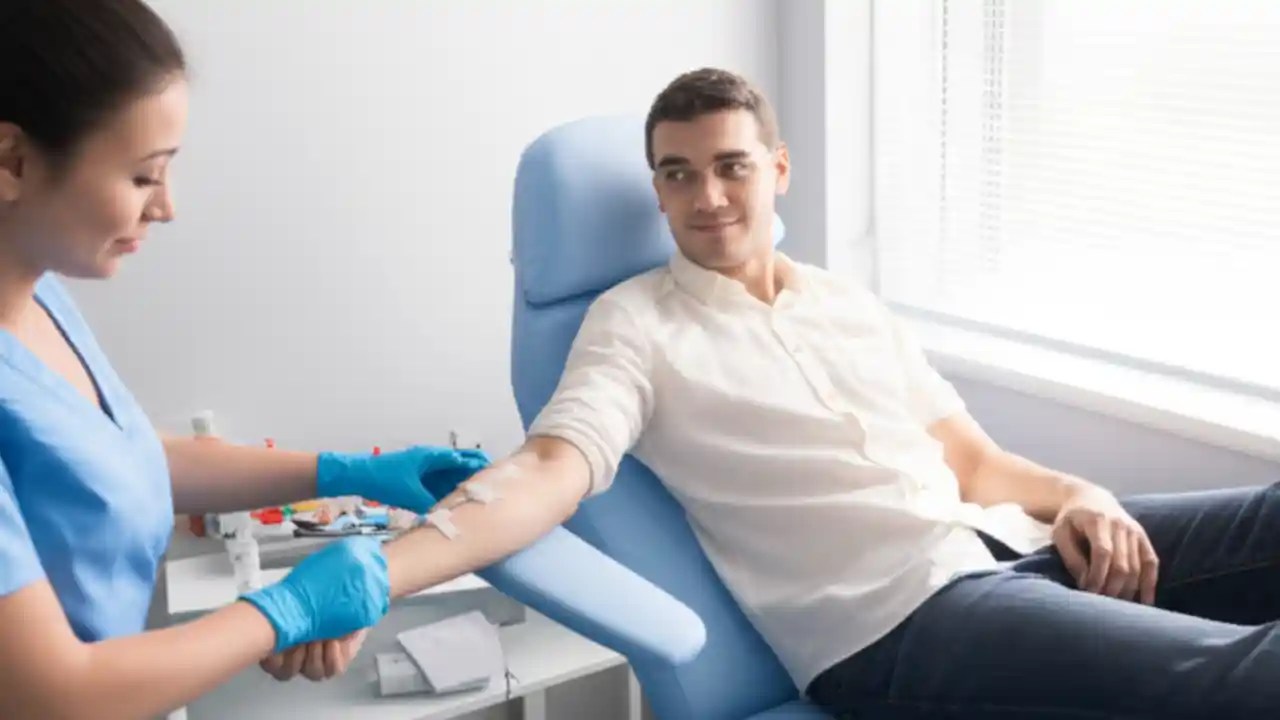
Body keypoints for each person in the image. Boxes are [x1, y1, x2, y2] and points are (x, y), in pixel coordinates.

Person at [277, 66, 1280, 717]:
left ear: (778, 169)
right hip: (896, 628)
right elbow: (547, 471)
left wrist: (1082, 495)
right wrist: (379, 574)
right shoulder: (630, 323)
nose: (705, 198)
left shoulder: (843, 303)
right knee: (1243, 682)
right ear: (656, 186)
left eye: (729, 167)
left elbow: (971, 465)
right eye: (676, 174)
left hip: (996, 546)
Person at [0, 2, 488, 717]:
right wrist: (284, 611)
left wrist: (342, 471)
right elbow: (52, 694)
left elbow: (115, 460)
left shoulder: (39, 302)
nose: (167, 207)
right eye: (143, 177)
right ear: (12, 161)